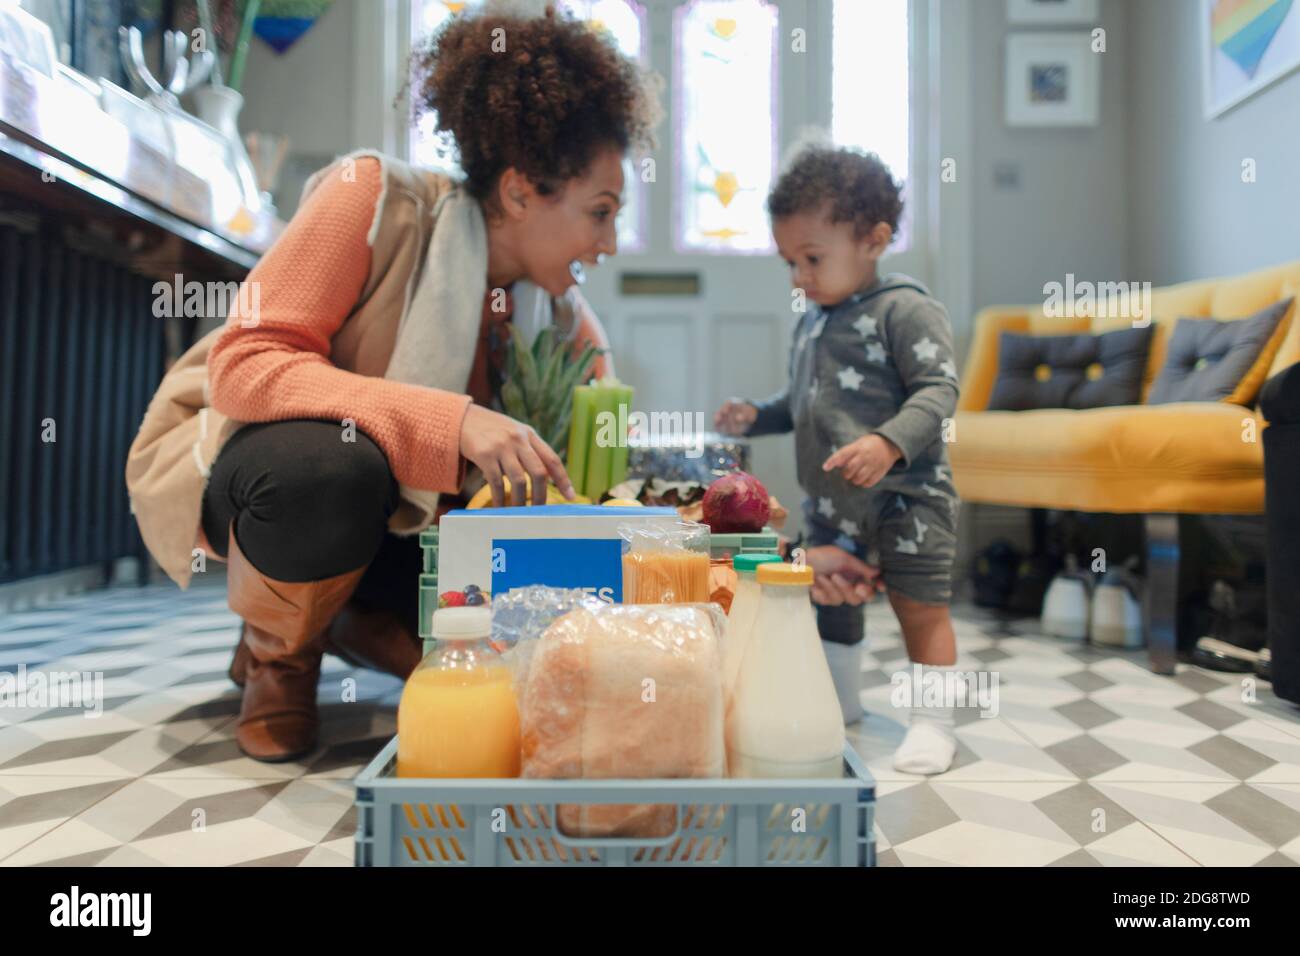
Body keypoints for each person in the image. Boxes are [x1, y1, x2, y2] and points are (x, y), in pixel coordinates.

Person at [126, 5, 660, 762]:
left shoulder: (559, 319)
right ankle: (280, 661)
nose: (608, 243)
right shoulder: (374, 198)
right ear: (517, 192)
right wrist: (452, 421)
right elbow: (243, 366)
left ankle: (339, 618)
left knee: (495, 668)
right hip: (272, 473)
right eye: (599, 213)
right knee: (332, 466)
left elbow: (604, 461)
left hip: (406, 535)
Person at [715, 143, 963, 775]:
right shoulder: (815, 320)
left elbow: (940, 391)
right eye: (790, 262)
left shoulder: (905, 308)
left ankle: (935, 724)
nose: (799, 276)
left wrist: (887, 442)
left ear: (874, 240)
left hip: (908, 498)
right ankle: (840, 700)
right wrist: (758, 414)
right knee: (829, 598)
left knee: (920, 607)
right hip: (830, 502)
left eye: (813, 258)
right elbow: (805, 405)